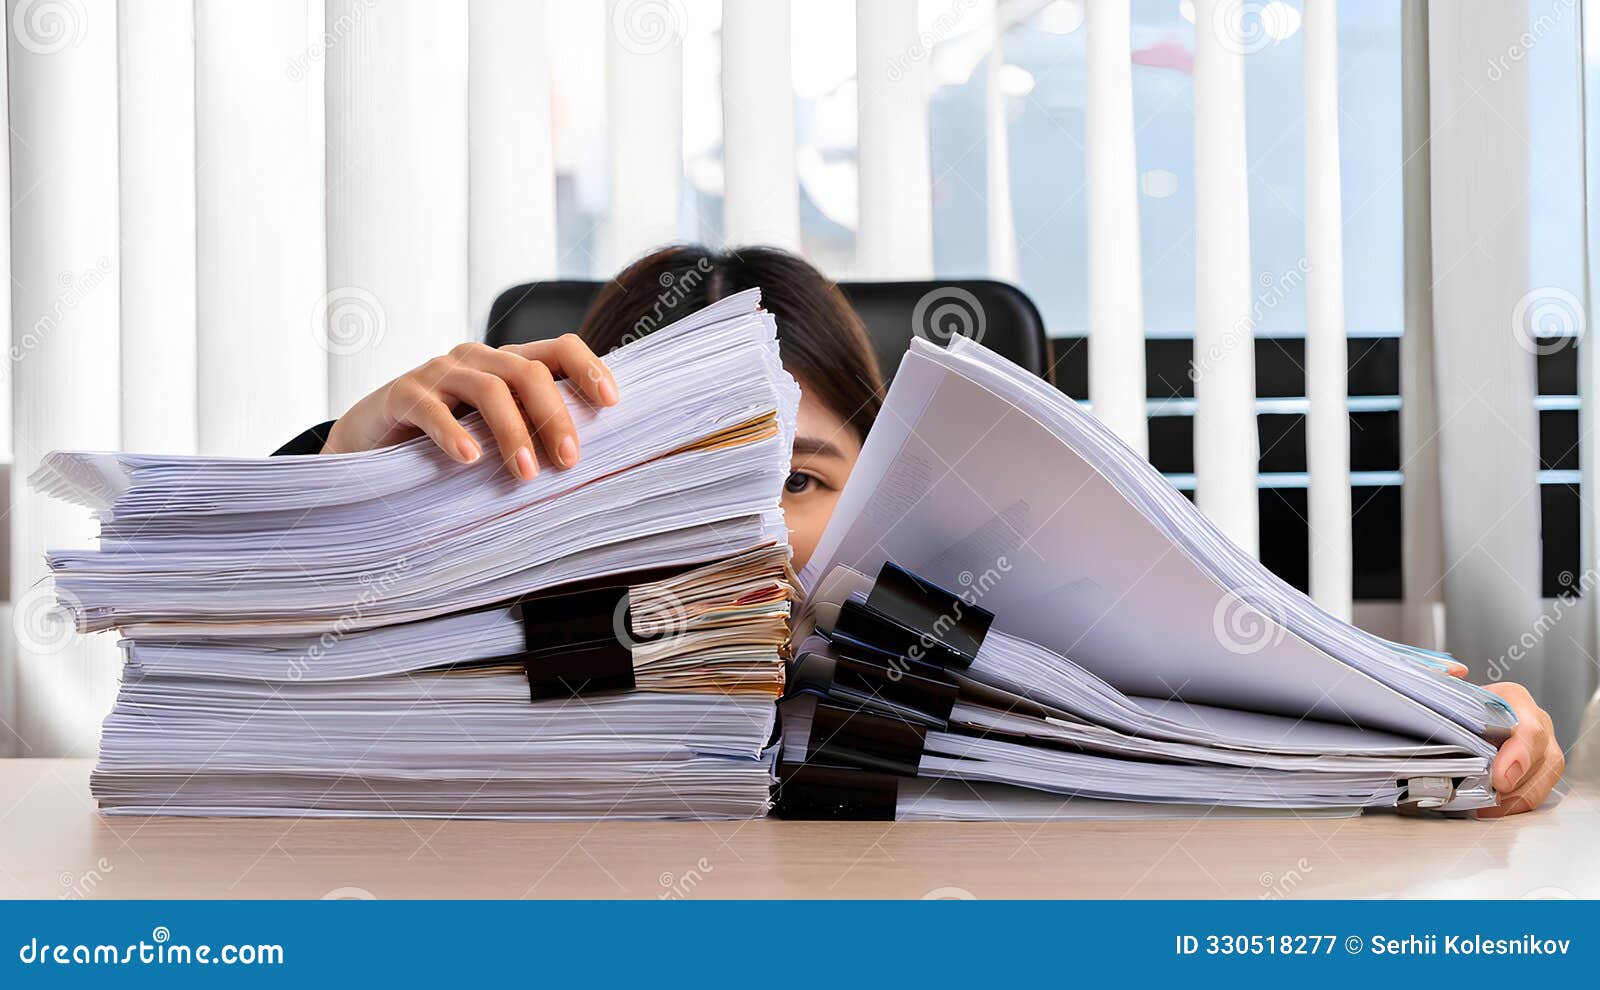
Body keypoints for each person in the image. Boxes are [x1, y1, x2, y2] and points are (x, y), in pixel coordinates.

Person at [290, 243, 1564, 817]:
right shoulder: (517, 642)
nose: (744, 531)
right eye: (675, 480)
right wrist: (348, 471)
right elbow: (264, 686)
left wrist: (1445, 729)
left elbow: (1213, 690)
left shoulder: (980, 629)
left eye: (797, 480)